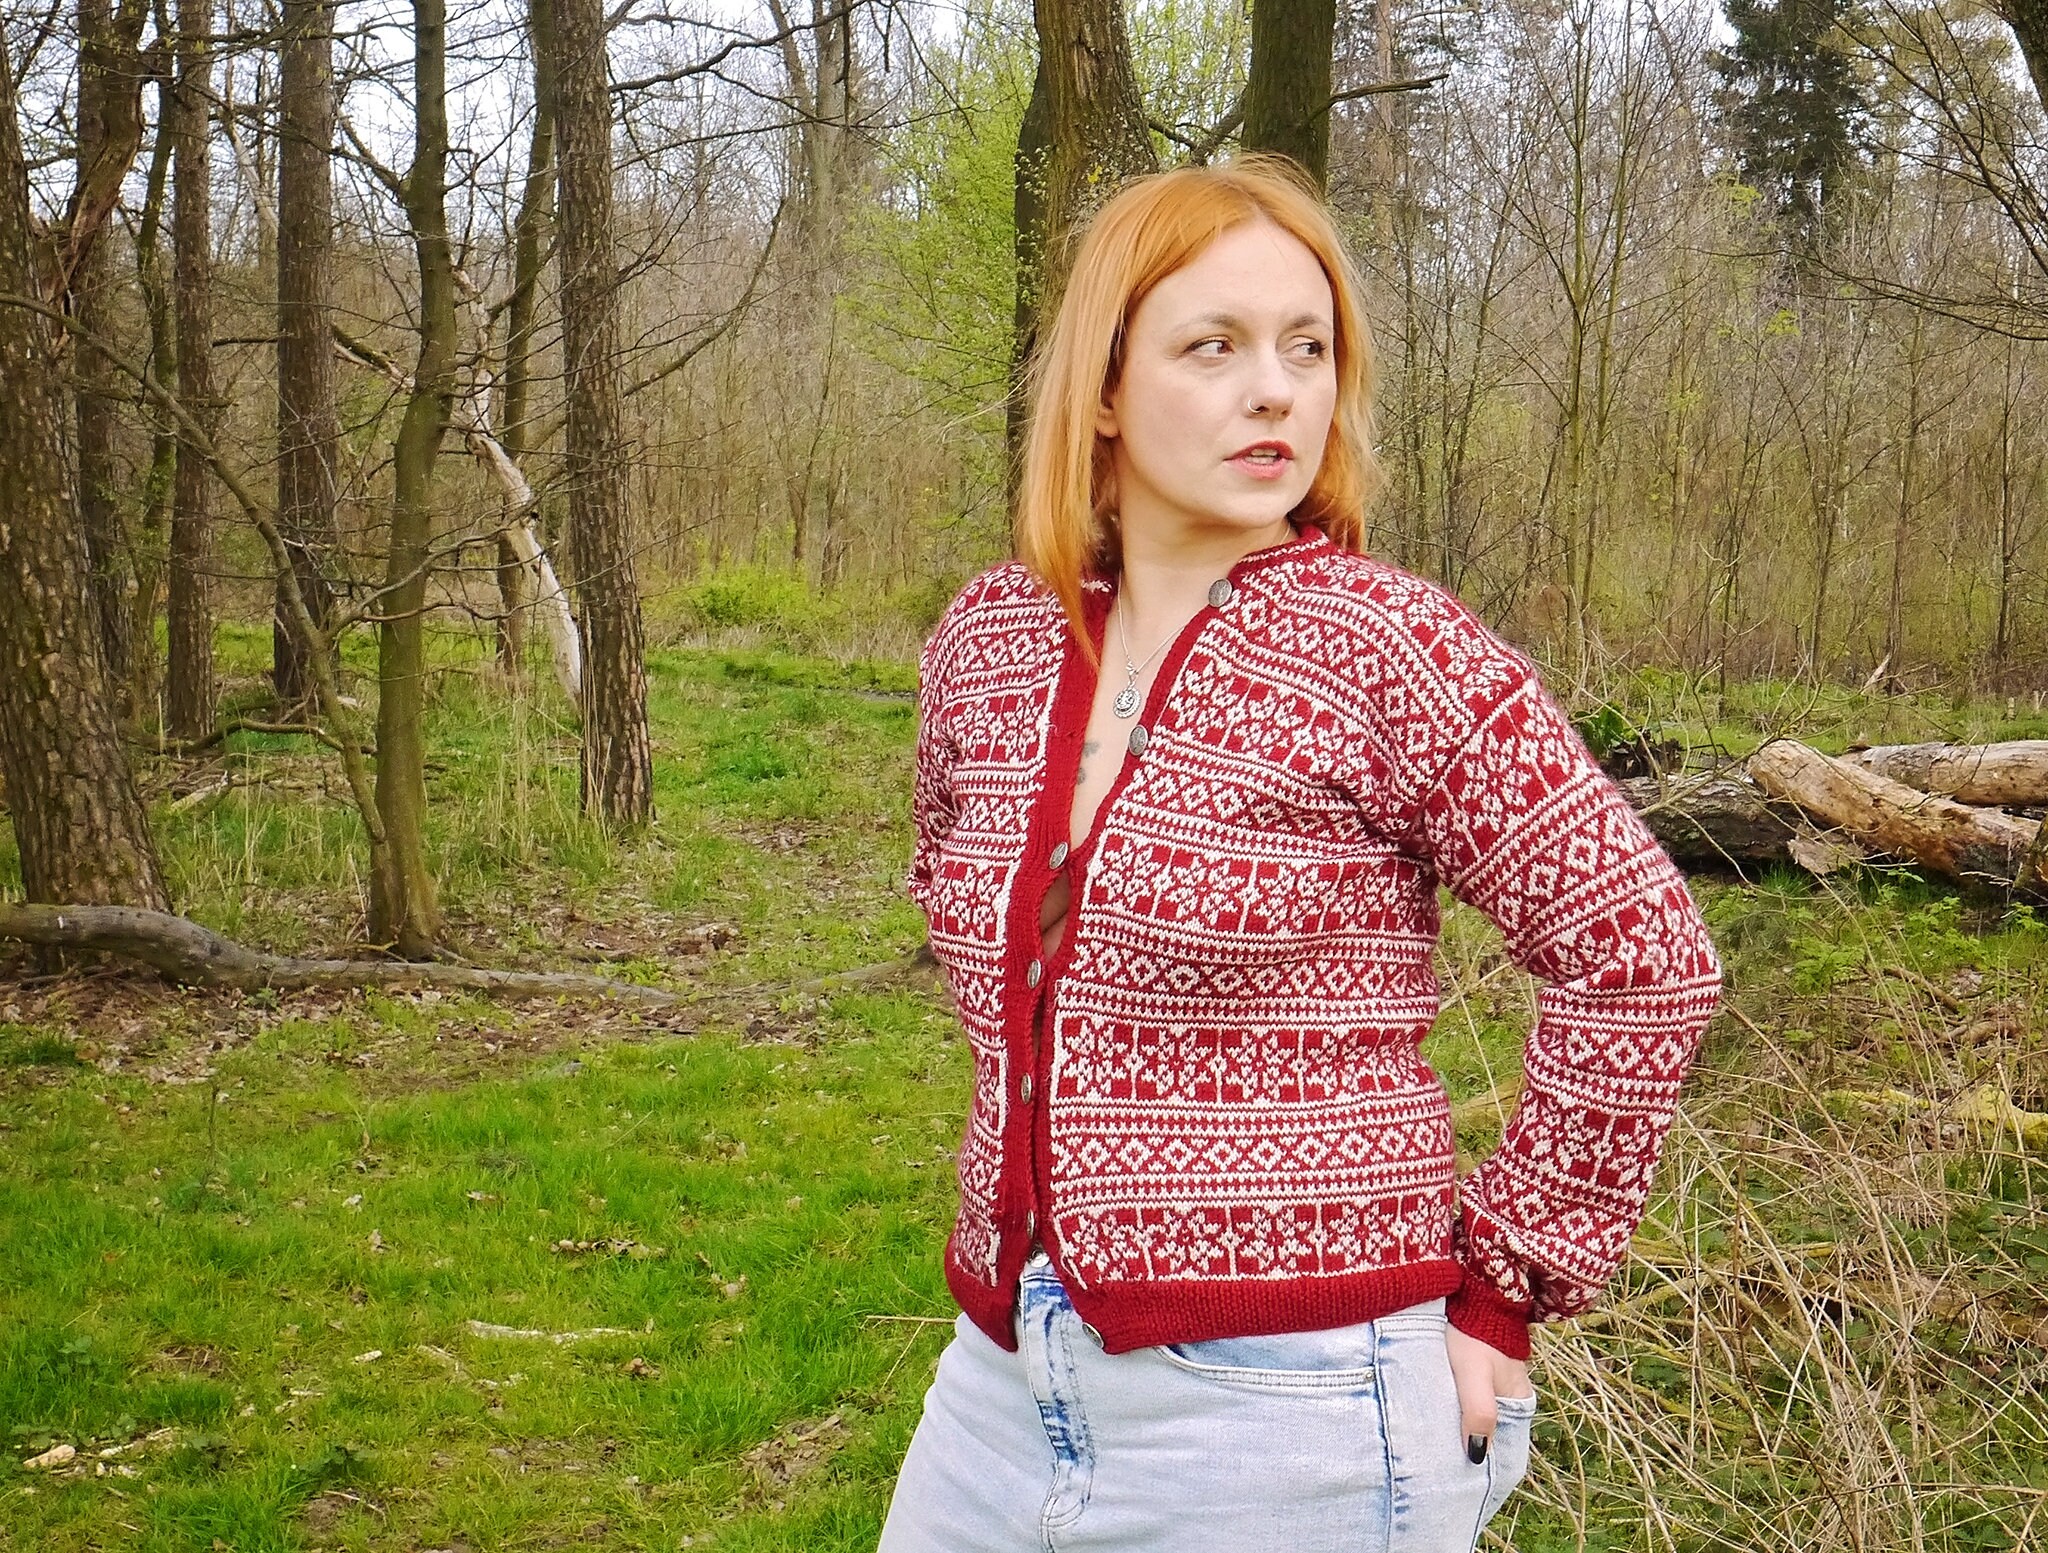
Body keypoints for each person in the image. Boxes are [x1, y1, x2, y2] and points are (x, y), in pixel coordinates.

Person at [881, 152, 1723, 1553]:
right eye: (1213, 346)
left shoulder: (1387, 647)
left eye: (1307, 347)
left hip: (1298, 1406)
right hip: (1001, 1385)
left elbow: (1643, 958)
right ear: (1104, 384)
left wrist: (1507, 1288)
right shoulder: (992, 641)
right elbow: (950, 884)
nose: (1275, 389)